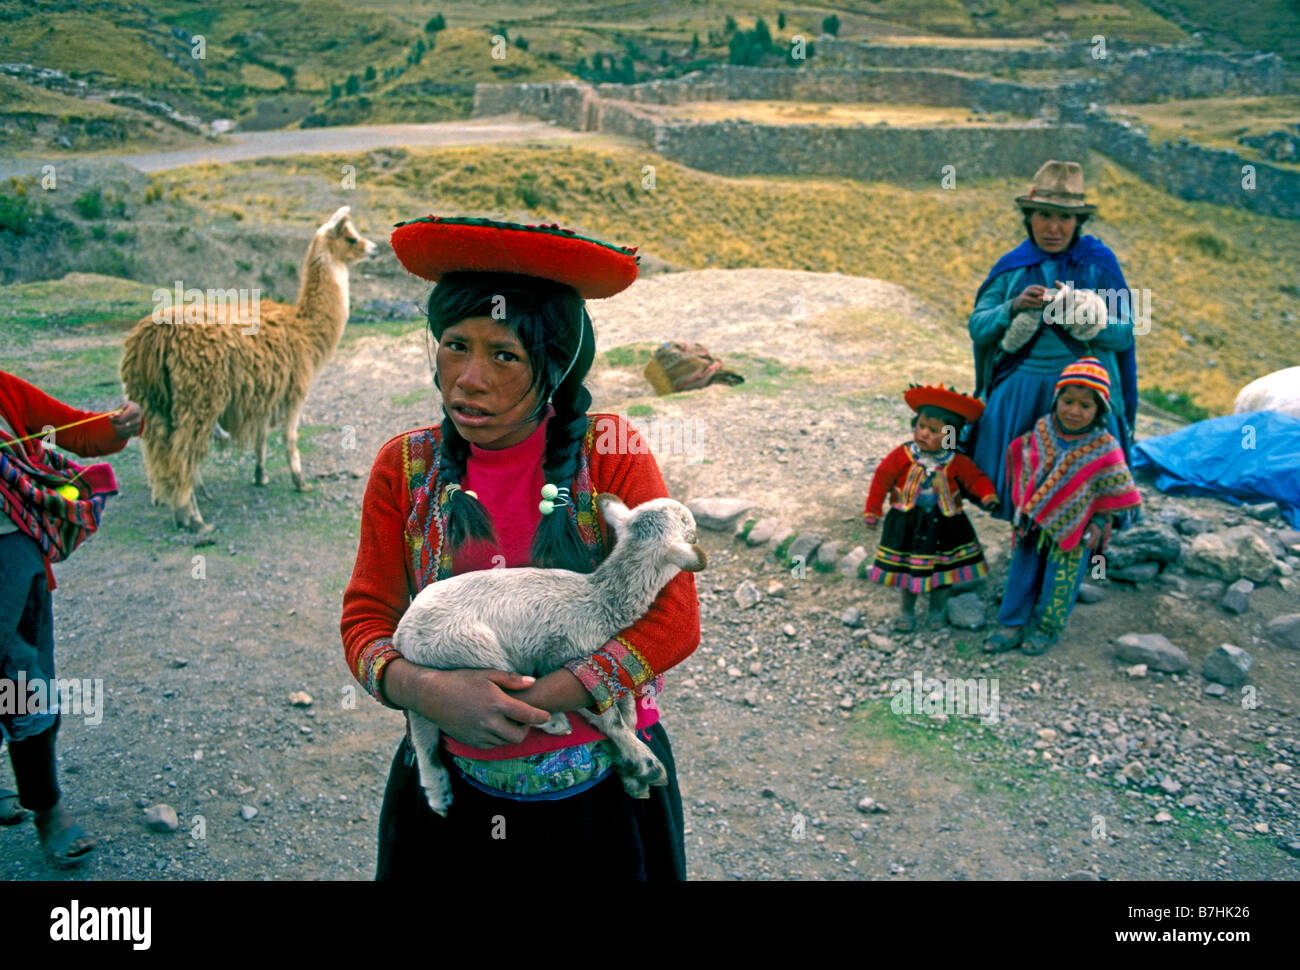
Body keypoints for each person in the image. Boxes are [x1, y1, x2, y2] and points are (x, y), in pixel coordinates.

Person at [341, 216, 700, 881]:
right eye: (454, 346)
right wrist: (426, 690)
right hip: (453, 806)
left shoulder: (609, 452)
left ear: (555, 364)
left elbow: (675, 620)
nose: (468, 379)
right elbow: (366, 622)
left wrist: (544, 696)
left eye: (503, 354)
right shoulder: (407, 468)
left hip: (599, 804)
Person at [0, 370, 141, 866]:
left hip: (16, 572)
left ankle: (44, 808)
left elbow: (70, 428)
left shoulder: (6, 393)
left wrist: (118, 427)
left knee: (25, 684)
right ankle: (34, 806)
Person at [968, 160, 1138, 514]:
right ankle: (1025, 537)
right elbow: (978, 327)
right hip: (1019, 395)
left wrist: (1085, 317)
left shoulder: (1101, 266)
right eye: (1044, 215)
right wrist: (1012, 307)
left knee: (1078, 500)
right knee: (1020, 496)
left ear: (1078, 223)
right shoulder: (1011, 267)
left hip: (1082, 397)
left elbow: (1126, 334)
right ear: (1029, 217)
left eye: (1064, 218)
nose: (1054, 227)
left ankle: (1078, 538)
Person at [985, 359, 1141, 655]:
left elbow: (1111, 491)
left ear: (1100, 410)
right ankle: (1012, 622)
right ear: (1057, 399)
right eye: (1068, 401)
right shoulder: (1043, 431)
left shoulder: (1104, 447)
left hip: (1076, 528)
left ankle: (1047, 628)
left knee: (1062, 580)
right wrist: (1024, 501)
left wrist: (1098, 524)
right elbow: (1026, 462)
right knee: (1022, 570)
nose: (1074, 411)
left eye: (1085, 405)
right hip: (1033, 524)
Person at [864, 384, 999, 631]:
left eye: (933, 430)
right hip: (907, 523)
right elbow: (881, 478)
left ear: (949, 436)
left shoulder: (956, 461)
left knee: (943, 574)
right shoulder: (902, 455)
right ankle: (907, 611)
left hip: (946, 525)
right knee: (908, 572)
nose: (924, 433)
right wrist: (873, 510)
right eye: (921, 426)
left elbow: (974, 479)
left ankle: (937, 610)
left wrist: (987, 495)